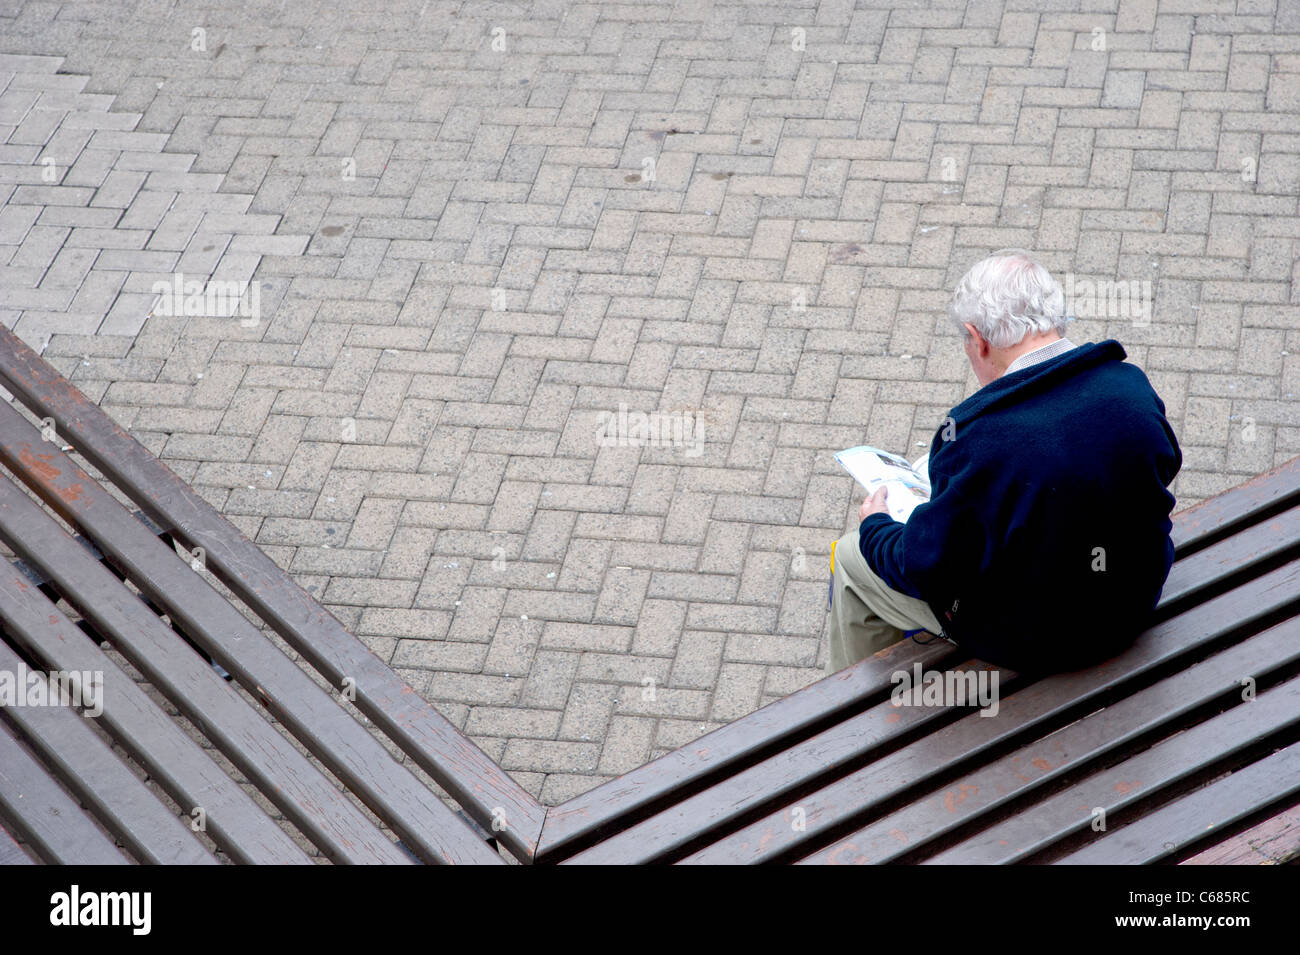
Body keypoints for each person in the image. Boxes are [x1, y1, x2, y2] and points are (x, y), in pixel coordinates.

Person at [826, 250, 1182, 675]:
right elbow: (1162, 466)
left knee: (851, 557)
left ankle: (855, 711)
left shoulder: (980, 440)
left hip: (1042, 639)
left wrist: (876, 526)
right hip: (1132, 599)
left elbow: (925, 567)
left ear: (977, 339)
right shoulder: (1131, 387)